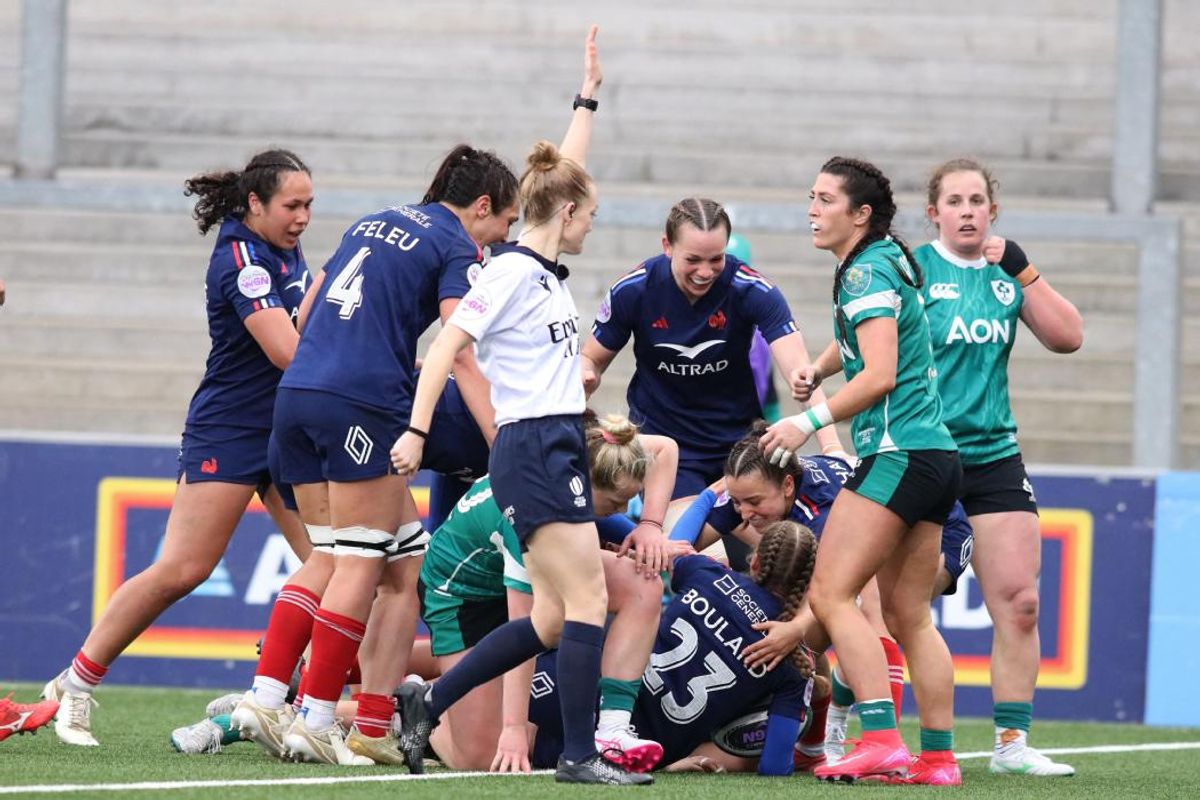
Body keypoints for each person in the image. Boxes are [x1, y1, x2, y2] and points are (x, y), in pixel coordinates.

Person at [391, 26, 658, 786]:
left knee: (548, 618)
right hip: (535, 449)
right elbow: (447, 345)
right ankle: (578, 756)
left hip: (553, 441)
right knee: (590, 598)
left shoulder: (539, 266)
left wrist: (587, 99)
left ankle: (429, 700)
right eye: (589, 212)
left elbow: (564, 175)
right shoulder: (510, 273)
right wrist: (416, 430)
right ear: (567, 213)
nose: (592, 222)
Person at [231, 139, 520, 767]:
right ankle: (314, 718)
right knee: (358, 565)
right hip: (362, 405)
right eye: (505, 221)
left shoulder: (374, 219)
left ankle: (332, 713)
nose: (504, 237)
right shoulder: (457, 246)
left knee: (389, 565)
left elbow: (306, 313)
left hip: (298, 393)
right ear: (481, 206)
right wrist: (505, 446)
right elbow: (460, 349)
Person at [43, 150, 315, 747]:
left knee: (331, 567)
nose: (302, 217)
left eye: (308, 205)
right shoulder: (243, 260)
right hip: (232, 431)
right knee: (184, 569)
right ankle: (73, 686)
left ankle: (279, 697)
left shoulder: (282, 246)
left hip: (286, 429)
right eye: (292, 206)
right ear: (255, 204)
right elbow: (288, 353)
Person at [759, 156, 962, 785]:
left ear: (861, 214)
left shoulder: (865, 270)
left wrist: (807, 421)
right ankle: (938, 758)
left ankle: (880, 739)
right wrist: (820, 367)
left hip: (897, 454)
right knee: (909, 615)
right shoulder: (884, 258)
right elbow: (873, 335)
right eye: (812, 196)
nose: (812, 210)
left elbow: (880, 374)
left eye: (826, 200)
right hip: (935, 456)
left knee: (830, 594)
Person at [916, 158, 1083, 777]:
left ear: (993, 210)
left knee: (1021, 602)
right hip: (922, 453)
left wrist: (1023, 267)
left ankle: (1012, 745)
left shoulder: (1008, 275)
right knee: (894, 603)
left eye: (976, 201)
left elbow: (1068, 336)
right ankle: (846, 729)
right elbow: (869, 340)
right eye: (954, 201)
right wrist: (819, 375)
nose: (967, 211)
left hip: (993, 457)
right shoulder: (912, 269)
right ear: (933, 212)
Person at [419, 412, 677, 773]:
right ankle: (413, 701)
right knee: (479, 757)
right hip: (462, 595)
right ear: (583, 483)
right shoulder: (534, 512)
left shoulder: (606, 448)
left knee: (642, 585)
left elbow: (665, 449)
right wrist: (512, 728)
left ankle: (613, 730)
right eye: (616, 501)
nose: (622, 512)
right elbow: (526, 624)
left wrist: (650, 525)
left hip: (518, 557)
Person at [580, 197, 840, 499]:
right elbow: (591, 359)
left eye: (716, 259)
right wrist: (585, 375)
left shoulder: (753, 290)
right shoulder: (634, 290)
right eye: (693, 260)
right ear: (667, 246)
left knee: (758, 526)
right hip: (666, 448)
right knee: (684, 528)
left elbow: (803, 374)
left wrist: (832, 446)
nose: (705, 272)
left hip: (739, 448)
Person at [526, 519, 817, 777]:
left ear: (755, 562)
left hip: (565, 693)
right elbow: (774, 766)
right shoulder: (794, 665)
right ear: (807, 585)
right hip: (633, 752)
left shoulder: (708, 573)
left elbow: (672, 546)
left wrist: (710, 495)